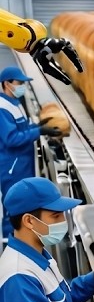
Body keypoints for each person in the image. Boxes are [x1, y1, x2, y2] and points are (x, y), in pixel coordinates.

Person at [1, 67, 60, 238]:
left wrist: (39, 126)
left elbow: (22, 128)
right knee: (13, 209)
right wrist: (40, 131)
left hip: (23, 164)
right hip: (12, 168)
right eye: (19, 83)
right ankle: (9, 244)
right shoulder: (2, 108)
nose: (22, 87)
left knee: (25, 207)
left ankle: (26, 241)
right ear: (7, 84)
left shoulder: (15, 103)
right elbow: (11, 139)